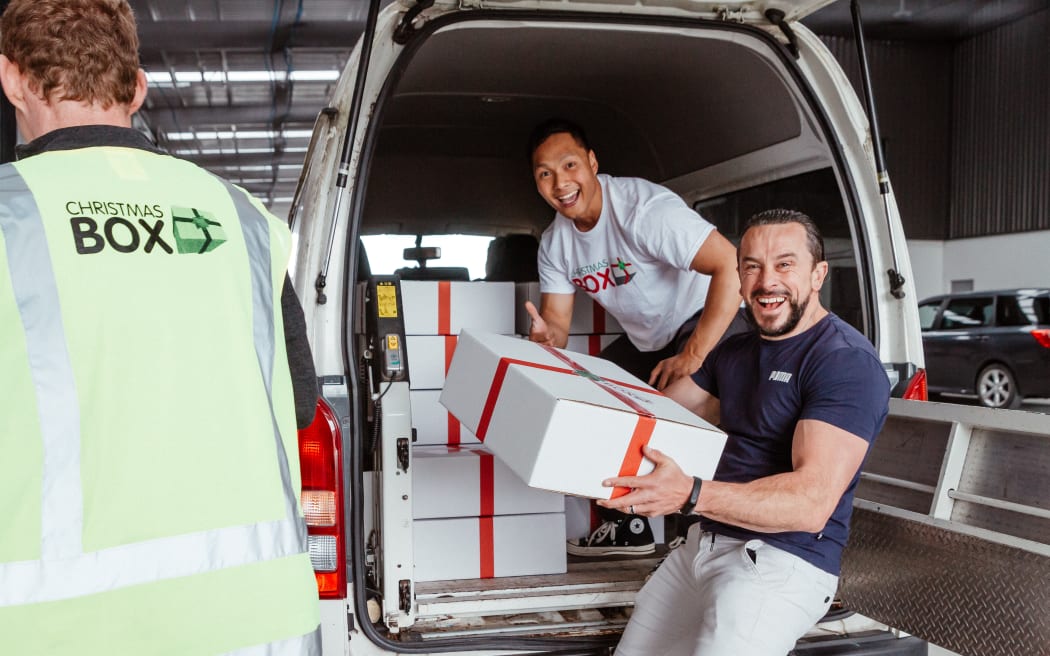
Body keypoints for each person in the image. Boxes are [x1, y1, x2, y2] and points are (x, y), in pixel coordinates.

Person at [0, 1, 321, 653]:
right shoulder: (242, 220)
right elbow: (301, 402)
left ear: (10, 78)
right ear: (138, 88)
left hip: (59, 633)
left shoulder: (13, 219)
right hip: (261, 627)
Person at [598, 209, 891, 656]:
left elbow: (811, 502)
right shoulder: (734, 351)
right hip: (705, 545)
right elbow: (658, 416)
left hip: (782, 562)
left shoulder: (844, 361)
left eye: (784, 264)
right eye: (752, 265)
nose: (766, 280)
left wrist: (691, 494)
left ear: (818, 275)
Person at [524, 118, 746, 556]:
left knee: (677, 404)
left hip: (711, 320)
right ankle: (628, 526)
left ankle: (705, 524)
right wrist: (545, 338)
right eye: (545, 174)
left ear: (591, 162)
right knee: (592, 403)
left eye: (569, 165)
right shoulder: (555, 243)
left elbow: (731, 266)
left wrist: (694, 355)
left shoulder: (643, 211)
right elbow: (558, 327)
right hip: (652, 340)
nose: (560, 183)